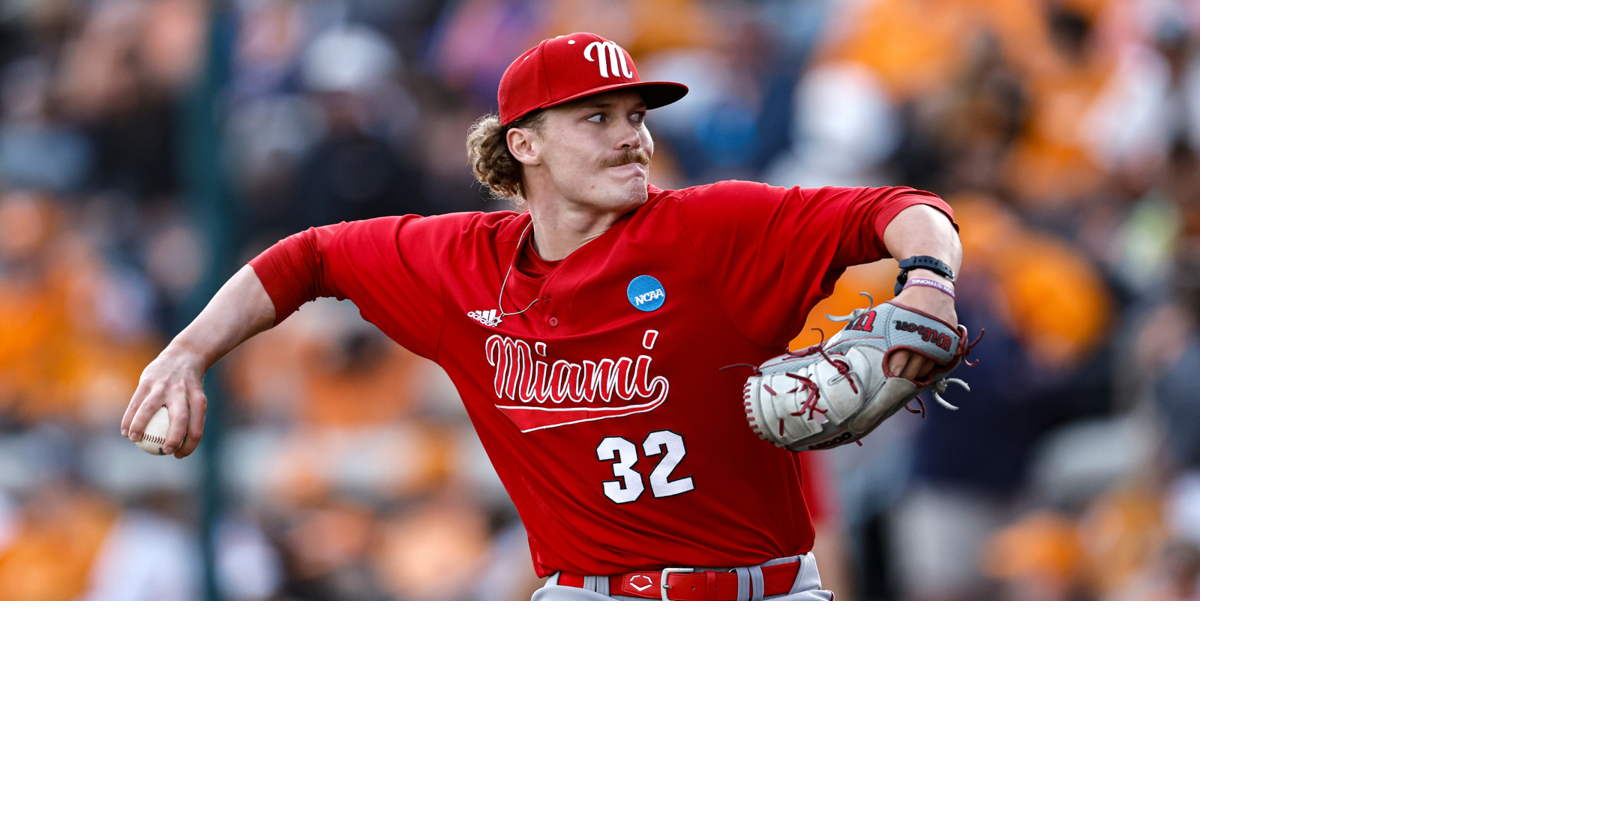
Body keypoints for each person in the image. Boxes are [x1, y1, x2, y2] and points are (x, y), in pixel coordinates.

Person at [121, 33, 962, 601]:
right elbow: (307, 257)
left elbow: (902, 205)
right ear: (524, 143)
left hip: (766, 588)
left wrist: (927, 279)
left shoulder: (714, 228)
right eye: (596, 117)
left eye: (636, 116)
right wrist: (188, 351)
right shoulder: (461, 263)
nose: (631, 137)